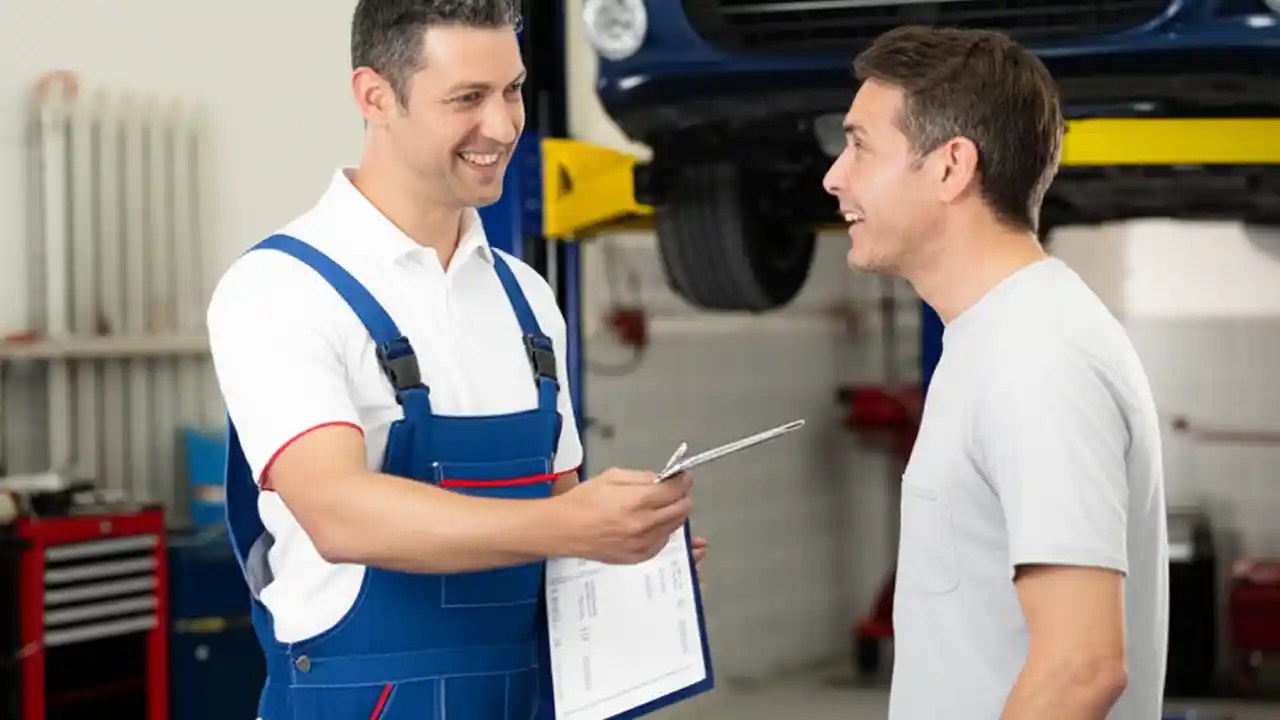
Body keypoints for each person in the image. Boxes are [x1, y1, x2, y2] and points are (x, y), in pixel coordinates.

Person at [206, 2, 707, 718]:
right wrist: (573, 528)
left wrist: (624, 554)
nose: (502, 127)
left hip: (526, 694)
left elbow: (558, 504)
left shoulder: (525, 297)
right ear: (374, 96)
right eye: (467, 98)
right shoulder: (281, 288)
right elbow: (341, 514)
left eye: (511, 91)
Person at [822, 26, 1168, 720]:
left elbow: (1082, 667)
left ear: (951, 167)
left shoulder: (1039, 358)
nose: (835, 175)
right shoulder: (993, 337)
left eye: (860, 144)